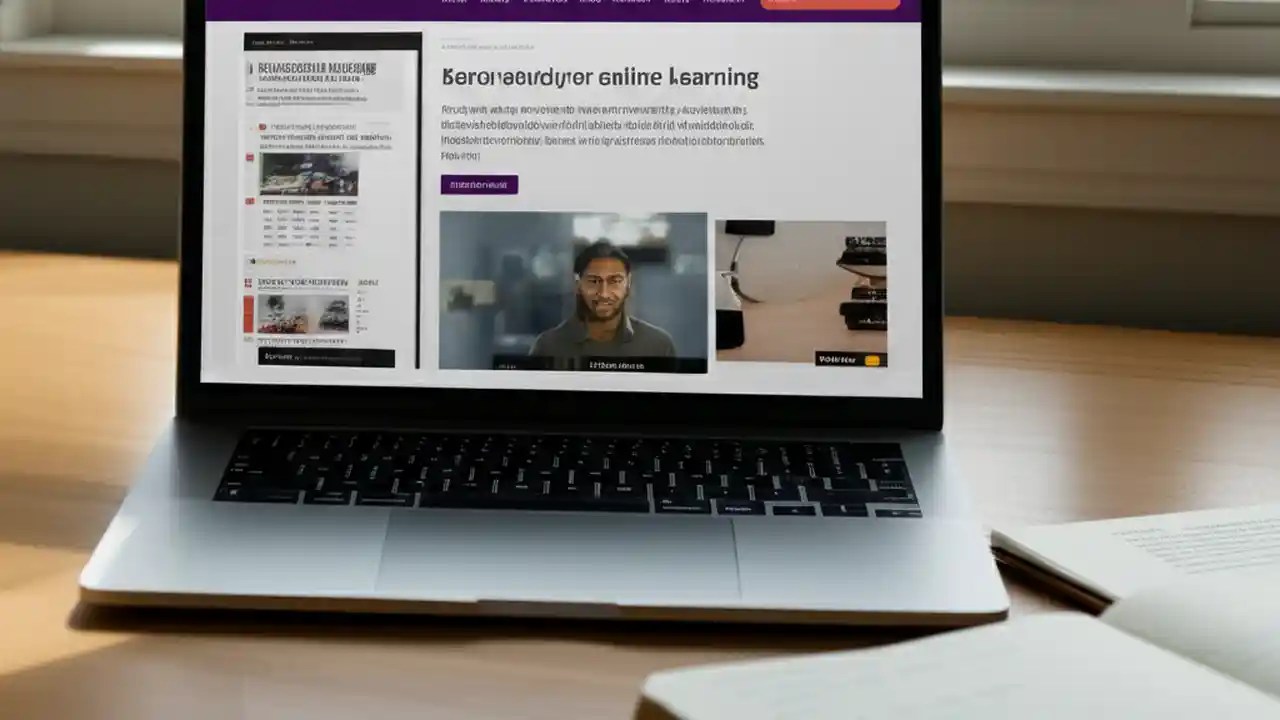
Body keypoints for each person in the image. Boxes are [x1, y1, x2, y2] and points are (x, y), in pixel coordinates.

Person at [529, 241, 676, 368]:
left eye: (614, 281)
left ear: (628, 284)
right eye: (594, 281)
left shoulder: (658, 346)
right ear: (578, 284)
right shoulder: (548, 347)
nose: (604, 293)